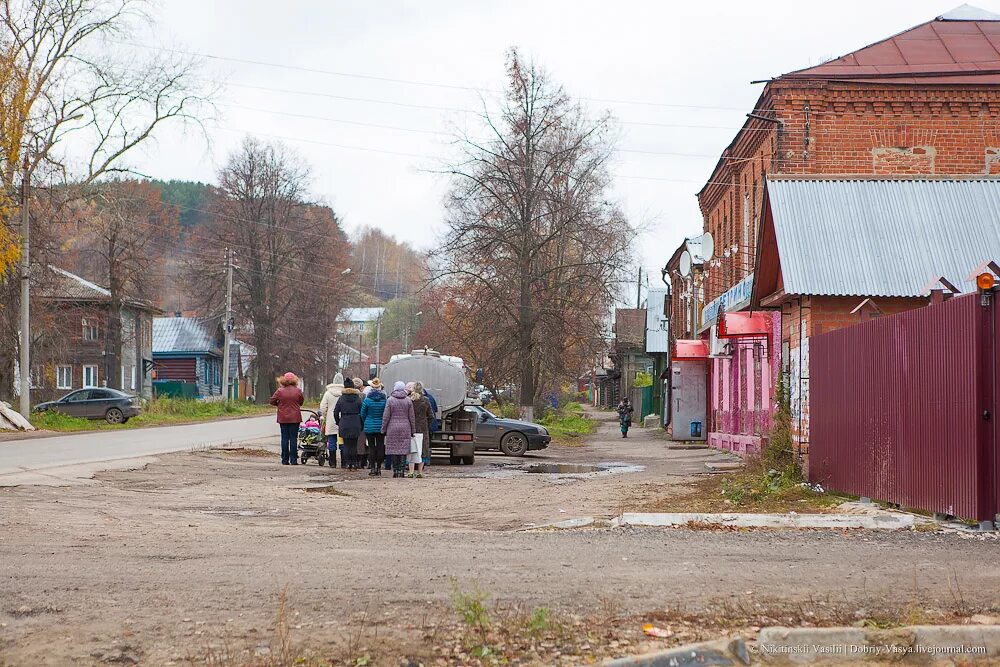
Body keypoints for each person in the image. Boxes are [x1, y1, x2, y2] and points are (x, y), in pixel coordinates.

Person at [381, 380, 415, 478]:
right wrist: (413, 430)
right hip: (405, 427)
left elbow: (386, 416)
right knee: (403, 450)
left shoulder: (390, 400)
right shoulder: (408, 400)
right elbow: (411, 417)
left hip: (392, 428)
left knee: (394, 450)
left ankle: (395, 470)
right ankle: (402, 470)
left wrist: (383, 429)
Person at [269, 372, 304, 465]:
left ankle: (285, 459)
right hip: (295, 418)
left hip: (283, 418)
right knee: (293, 438)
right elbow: (301, 402)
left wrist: (279, 405)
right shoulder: (298, 391)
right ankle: (293, 460)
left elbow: (272, 401)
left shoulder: (280, 391)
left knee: (284, 438)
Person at [334, 379, 364, 470]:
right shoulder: (358, 398)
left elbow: (335, 412)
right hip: (355, 422)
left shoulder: (341, 398)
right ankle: (354, 463)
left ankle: (348, 464)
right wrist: (361, 423)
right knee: (354, 445)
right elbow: (362, 412)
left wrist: (338, 422)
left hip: (344, 422)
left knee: (346, 445)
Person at [360, 378, 387, 476]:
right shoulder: (384, 400)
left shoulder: (367, 400)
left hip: (369, 426)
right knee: (380, 447)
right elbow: (386, 413)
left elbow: (362, 414)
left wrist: (366, 421)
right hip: (381, 426)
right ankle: (379, 468)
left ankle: (372, 468)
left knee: (371, 447)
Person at [408, 382, 434, 478]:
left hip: (411, 427)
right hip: (423, 428)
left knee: (412, 449)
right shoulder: (426, 400)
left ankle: (411, 472)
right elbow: (431, 415)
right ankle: (420, 472)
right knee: (422, 450)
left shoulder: (409, 400)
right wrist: (427, 424)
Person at [319, 372, 345, 467]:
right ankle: (343, 463)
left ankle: (332, 463)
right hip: (342, 421)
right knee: (342, 442)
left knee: (332, 441)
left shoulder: (328, 393)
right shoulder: (344, 393)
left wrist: (325, 416)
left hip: (330, 421)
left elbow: (323, 407)